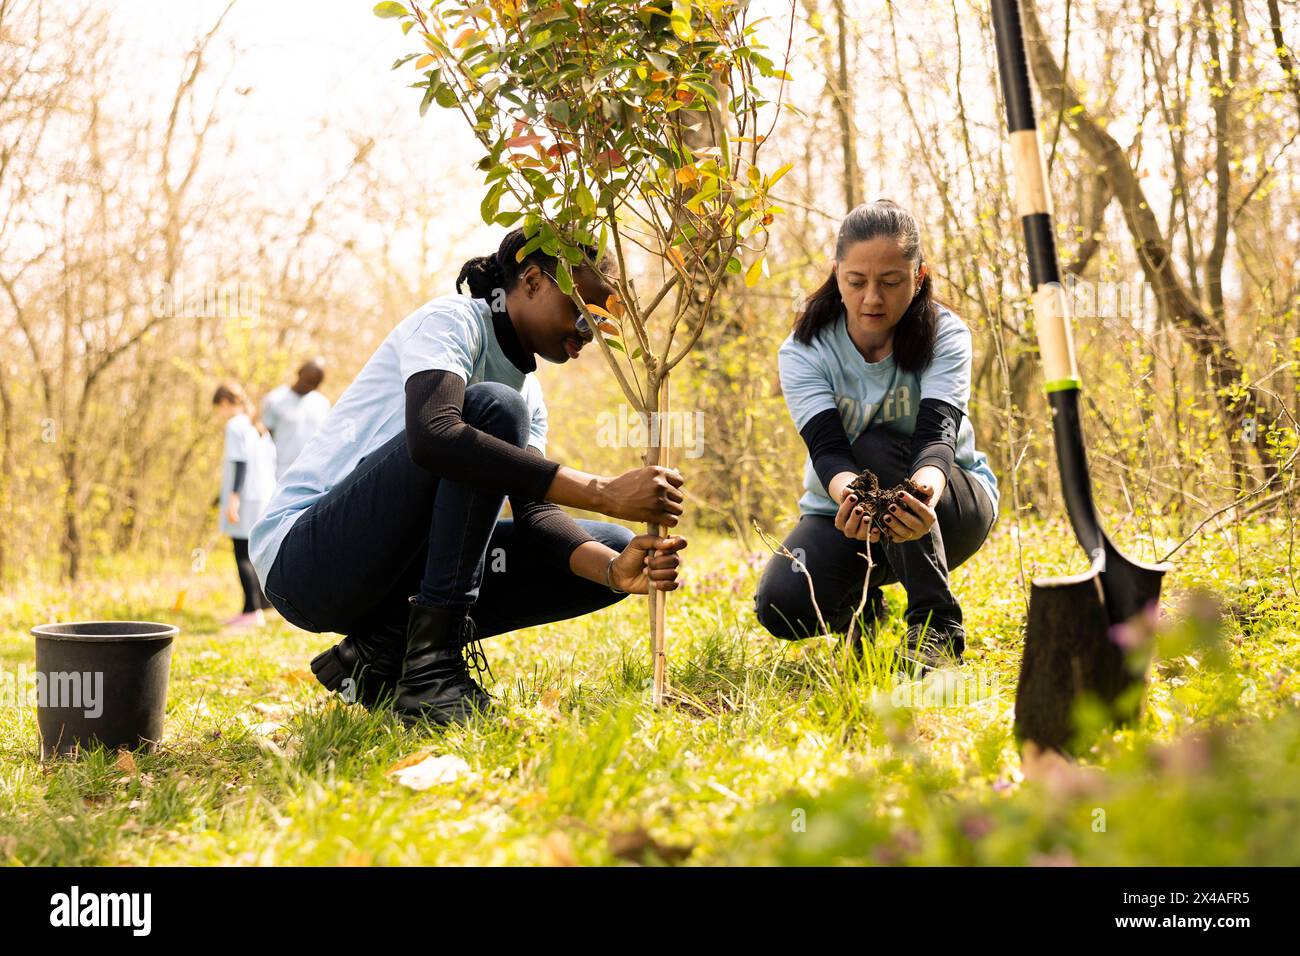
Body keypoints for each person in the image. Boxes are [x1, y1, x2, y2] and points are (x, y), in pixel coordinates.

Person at [250, 228, 687, 727]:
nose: (590, 335)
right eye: (584, 313)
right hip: (308, 561)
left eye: (601, 326)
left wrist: (615, 571)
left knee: (604, 542)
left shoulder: (530, 395)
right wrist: (602, 491)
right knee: (491, 410)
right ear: (534, 281)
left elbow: (537, 515)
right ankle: (431, 675)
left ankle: (382, 653)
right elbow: (436, 435)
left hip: (390, 577)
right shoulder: (451, 323)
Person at [754, 199, 999, 673]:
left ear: (919, 276)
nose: (872, 298)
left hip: (950, 505)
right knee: (781, 602)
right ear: (836, 273)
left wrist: (922, 495)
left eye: (891, 283)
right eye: (857, 282)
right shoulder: (805, 351)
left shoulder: (946, 335)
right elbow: (827, 450)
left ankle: (937, 628)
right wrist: (856, 499)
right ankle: (861, 607)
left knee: (875, 449)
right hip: (845, 512)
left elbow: (937, 438)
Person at [212, 382, 278, 628]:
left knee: (242, 553)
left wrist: (233, 499)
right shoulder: (258, 427)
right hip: (265, 494)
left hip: (246, 497)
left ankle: (251, 612)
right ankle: (261, 605)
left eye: (218, 408)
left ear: (225, 403)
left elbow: (239, 463)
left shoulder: (235, 425)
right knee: (258, 552)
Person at [262, 358, 331, 479]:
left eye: (314, 383)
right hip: (279, 472)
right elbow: (265, 439)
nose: (309, 386)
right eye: (307, 380)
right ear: (299, 373)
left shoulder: (323, 404)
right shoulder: (275, 400)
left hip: (312, 474)